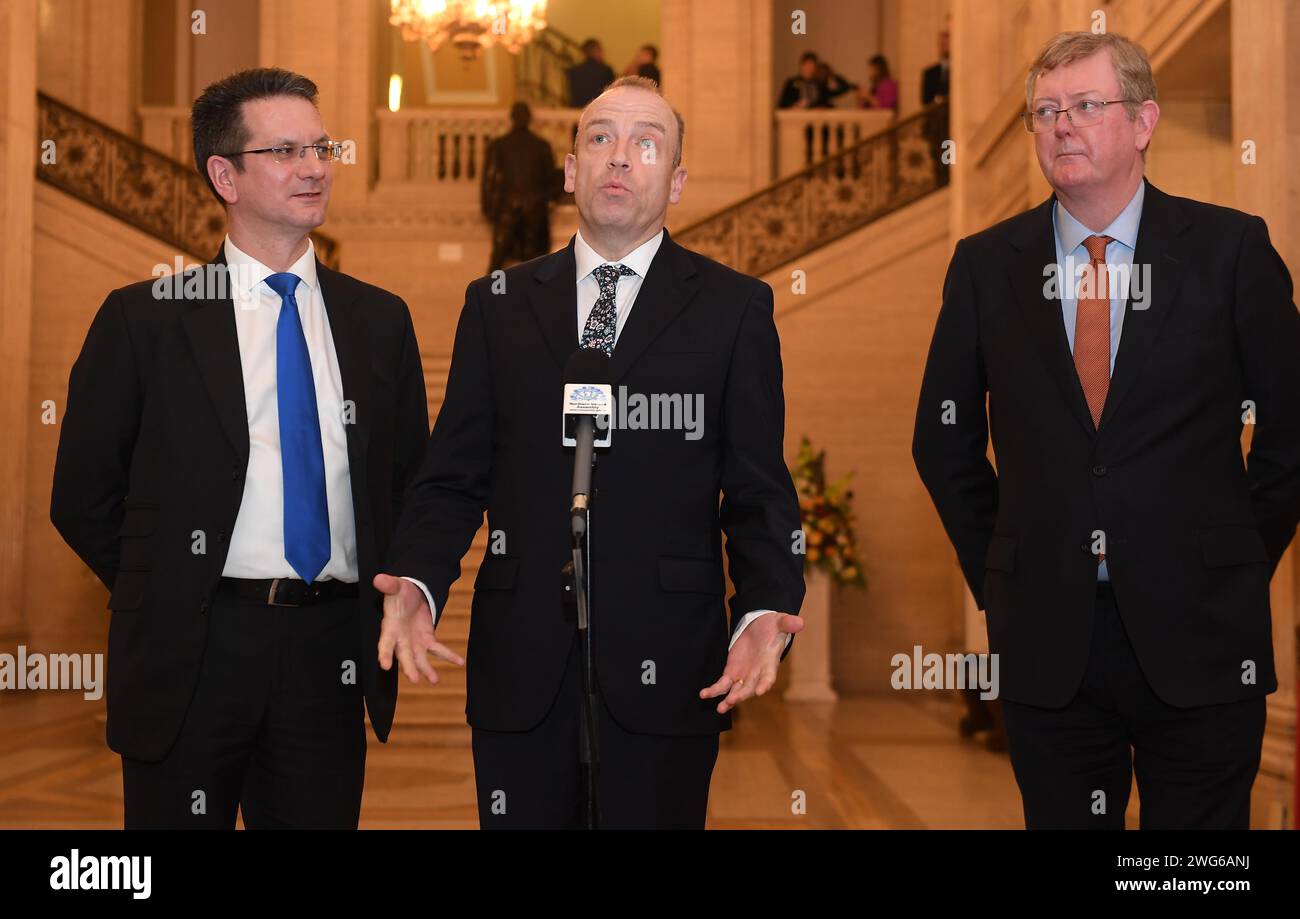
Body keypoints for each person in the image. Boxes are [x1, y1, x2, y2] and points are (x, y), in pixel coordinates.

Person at [374, 75, 806, 829]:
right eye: (599, 138)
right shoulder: (497, 303)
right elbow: (453, 474)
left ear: (675, 181)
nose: (619, 158)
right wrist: (417, 576)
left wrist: (765, 604)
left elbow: (758, 486)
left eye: (646, 144)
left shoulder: (735, 309)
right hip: (521, 666)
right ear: (570, 170)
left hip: (669, 666)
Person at [912, 31, 1300, 829]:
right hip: (1047, 641)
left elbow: (1292, 427)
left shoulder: (1230, 250)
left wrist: (1235, 556)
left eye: (1087, 106)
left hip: (1204, 638)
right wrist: (1000, 569)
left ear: (1144, 121)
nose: (1063, 126)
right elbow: (942, 439)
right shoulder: (987, 266)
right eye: (1046, 111)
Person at [50, 68, 430, 829]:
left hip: (331, 651)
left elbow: (410, 483)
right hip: (191, 654)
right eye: (286, 150)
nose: (316, 166)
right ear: (224, 174)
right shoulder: (145, 320)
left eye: (320, 147)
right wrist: (170, 584)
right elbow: (83, 496)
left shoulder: (379, 322)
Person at [482, 101, 558, 273]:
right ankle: (521, 297)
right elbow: (551, 179)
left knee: (499, 259)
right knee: (530, 261)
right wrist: (548, 199)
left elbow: (489, 180)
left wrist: (488, 207)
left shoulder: (500, 145)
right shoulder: (541, 145)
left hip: (510, 207)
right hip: (532, 207)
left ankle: (493, 295)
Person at [567, 38, 616, 108]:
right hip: (600, 109)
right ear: (596, 51)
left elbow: (572, 96)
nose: (603, 53)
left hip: (578, 112)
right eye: (601, 50)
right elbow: (611, 93)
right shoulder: (606, 70)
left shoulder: (574, 71)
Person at [921, 29, 950, 105]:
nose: (944, 47)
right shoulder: (930, 73)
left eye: (946, 43)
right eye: (942, 43)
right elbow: (926, 101)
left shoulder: (957, 71)